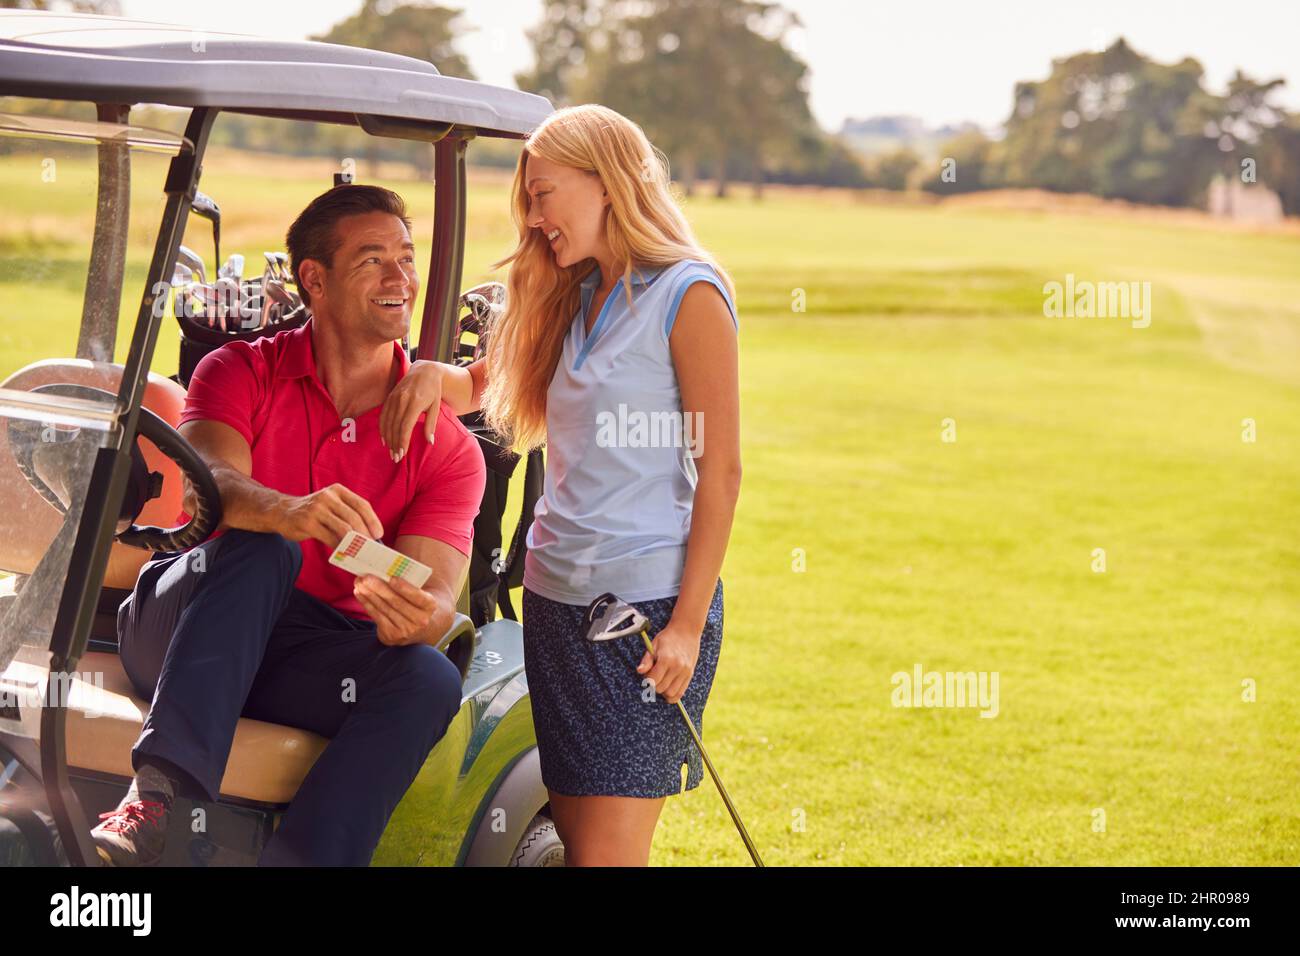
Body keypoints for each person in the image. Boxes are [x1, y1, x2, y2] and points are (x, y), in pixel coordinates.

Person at [379, 104, 742, 866]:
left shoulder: (689, 294)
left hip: (640, 618)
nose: (535, 217)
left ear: (606, 182)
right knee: (579, 845)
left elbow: (723, 471)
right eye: (528, 200)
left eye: (544, 194)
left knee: (608, 855)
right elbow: (485, 383)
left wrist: (684, 625)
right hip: (554, 602)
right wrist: (427, 377)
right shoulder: (573, 294)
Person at [91, 185, 487, 866]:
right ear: (315, 278)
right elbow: (209, 482)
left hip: (303, 656)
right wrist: (289, 511)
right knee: (264, 548)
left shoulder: (448, 448)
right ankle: (158, 798)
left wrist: (411, 618)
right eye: (372, 260)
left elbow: (435, 599)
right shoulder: (238, 370)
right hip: (188, 621)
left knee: (428, 676)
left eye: (406, 258)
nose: (400, 279)